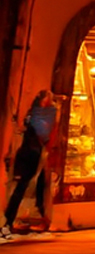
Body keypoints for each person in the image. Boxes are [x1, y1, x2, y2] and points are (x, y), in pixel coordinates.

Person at [3, 91, 58, 240]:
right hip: (31, 155)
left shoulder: (37, 114)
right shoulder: (41, 115)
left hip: (32, 154)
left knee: (32, 187)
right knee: (25, 187)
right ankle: (14, 218)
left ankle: (27, 217)